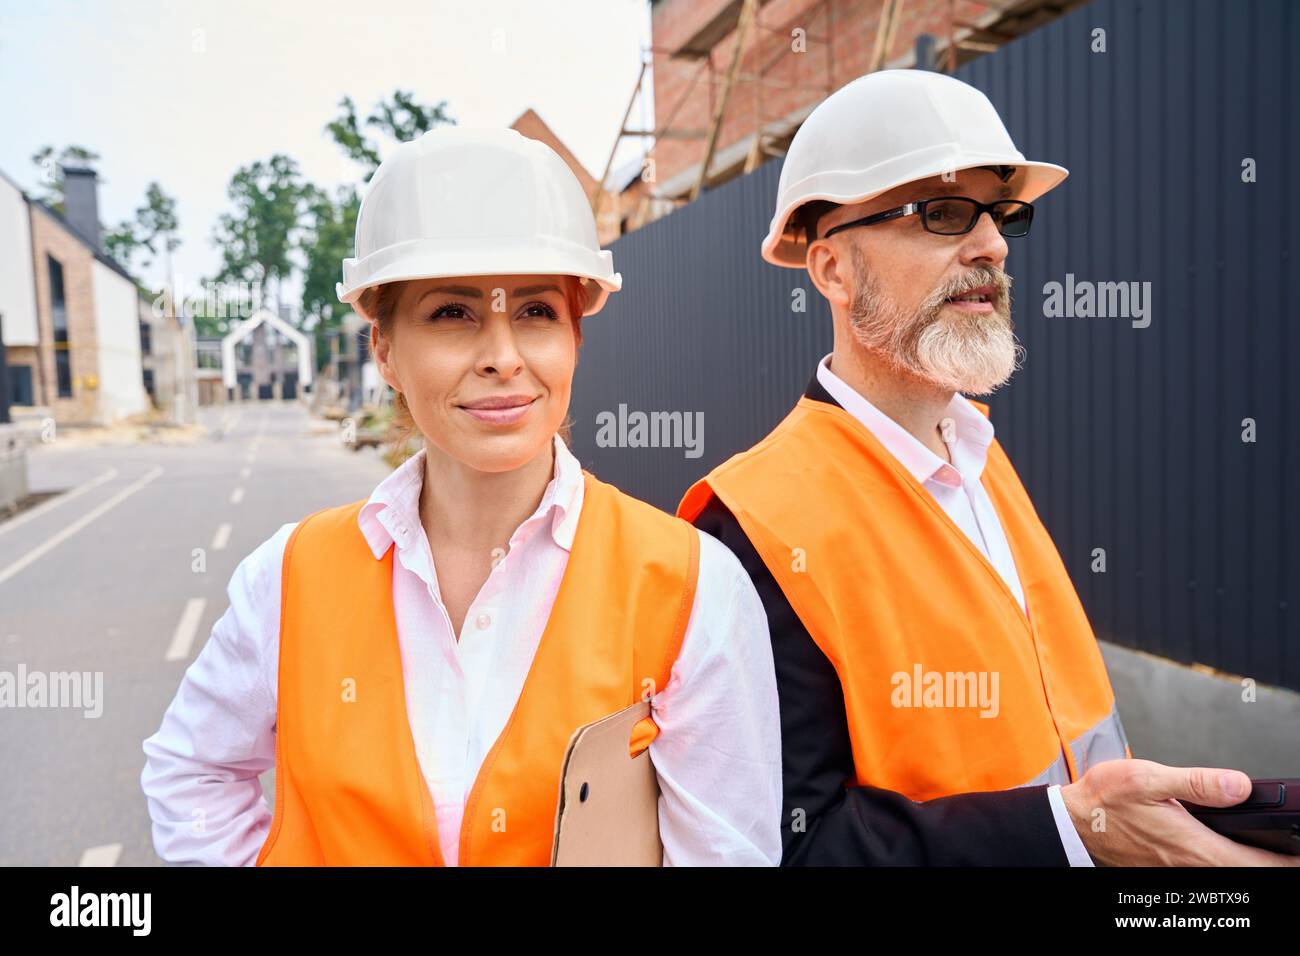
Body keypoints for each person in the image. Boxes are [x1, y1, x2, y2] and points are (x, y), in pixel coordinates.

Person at [678, 69, 1297, 867]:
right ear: (830, 270)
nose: (993, 245)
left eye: (1001, 215)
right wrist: (1072, 833)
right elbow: (794, 850)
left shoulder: (975, 448)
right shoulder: (750, 524)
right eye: (942, 213)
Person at [141, 127, 782, 866]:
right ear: (383, 348)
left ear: (576, 334)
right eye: (453, 313)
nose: (503, 358)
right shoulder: (288, 579)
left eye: (537, 312)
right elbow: (191, 772)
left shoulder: (692, 588)